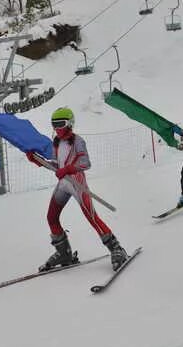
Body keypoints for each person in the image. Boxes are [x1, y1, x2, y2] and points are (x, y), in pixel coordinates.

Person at [27, 107, 127, 272]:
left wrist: (67, 169)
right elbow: (57, 166)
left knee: (91, 217)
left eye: (61, 123)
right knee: (51, 217)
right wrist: (38, 160)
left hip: (77, 183)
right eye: (54, 124)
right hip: (64, 185)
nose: (57, 128)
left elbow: (85, 163)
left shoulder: (78, 141)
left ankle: (116, 249)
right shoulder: (57, 143)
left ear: (70, 123)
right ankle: (63, 253)